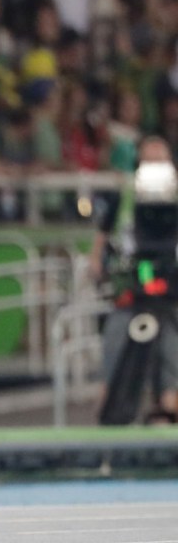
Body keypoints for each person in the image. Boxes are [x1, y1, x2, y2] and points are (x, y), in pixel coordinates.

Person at [89, 135, 178, 425]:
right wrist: (95, 260)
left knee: (169, 335)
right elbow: (104, 231)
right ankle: (107, 397)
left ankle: (169, 401)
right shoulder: (126, 195)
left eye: (160, 161)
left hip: (171, 280)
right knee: (118, 331)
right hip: (134, 276)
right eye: (149, 161)